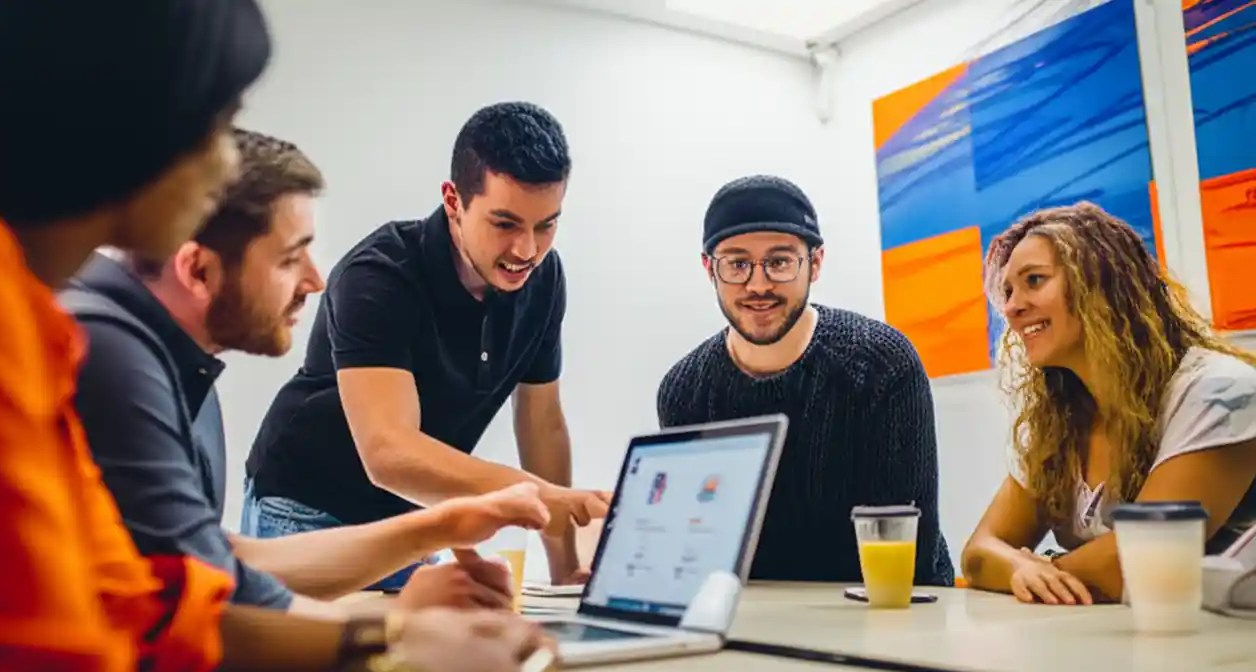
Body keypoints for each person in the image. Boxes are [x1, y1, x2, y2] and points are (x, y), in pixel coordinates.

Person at [0, 2, 554, 672]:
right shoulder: (52, 341)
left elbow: (172, 604)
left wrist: (398, 622)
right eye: (219, 125)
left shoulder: (53, 329)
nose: (227, 162)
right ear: (131, 119)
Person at [64, 128, 551, 618]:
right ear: (199, 271)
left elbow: (222, 563)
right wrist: (396, 624)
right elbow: (197, 615)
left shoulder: (161, 361)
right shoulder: (105, 359)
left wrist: (439, 526)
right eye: (290, 257)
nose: (316, 280)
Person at [243, 101, 610, 588]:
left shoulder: (544, 278)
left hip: (415, 520)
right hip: (307, 510)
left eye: (546, 225)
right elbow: (390, 455)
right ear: (454, 202)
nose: (527, 251)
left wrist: (565, 568)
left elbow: (542, 423)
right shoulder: (379, 275)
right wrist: (541, 497)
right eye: (505, 224)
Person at [657, 175, 955, 585]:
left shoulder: (881, 364)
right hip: (748, 620)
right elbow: (697, 552)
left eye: (779, 262)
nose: (757, 284)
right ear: (710, 268)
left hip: (884, 612)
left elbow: (909, 553)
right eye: (737, 264)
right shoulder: (684, 391)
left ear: (815, 263)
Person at [961, 202, 1256, 605]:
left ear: (1102, 284)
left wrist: (1041, 564)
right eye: (1009, 291)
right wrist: (1019, 568)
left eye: (1034, 280)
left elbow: (1141, 561)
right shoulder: (1056, 420)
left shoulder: (1222, 391)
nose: (1011, 308)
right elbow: (978, 553)